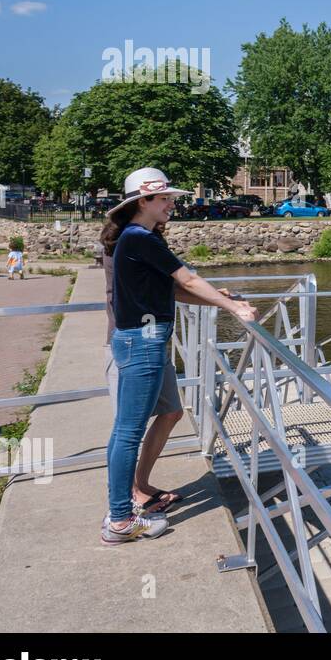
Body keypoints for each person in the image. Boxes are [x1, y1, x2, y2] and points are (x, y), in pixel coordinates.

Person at [100, 167, 256, 545]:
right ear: (143, 201)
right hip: (143, 342)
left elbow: (172, 292)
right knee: (128, 430)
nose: (173, 203)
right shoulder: (140, 239)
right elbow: (186, 279)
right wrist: (234, 310)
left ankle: (131, 501)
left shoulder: (138, 238)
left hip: (145, 339)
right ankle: (119, 520)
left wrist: (221, 300)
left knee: (164, 414)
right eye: (166, 198)